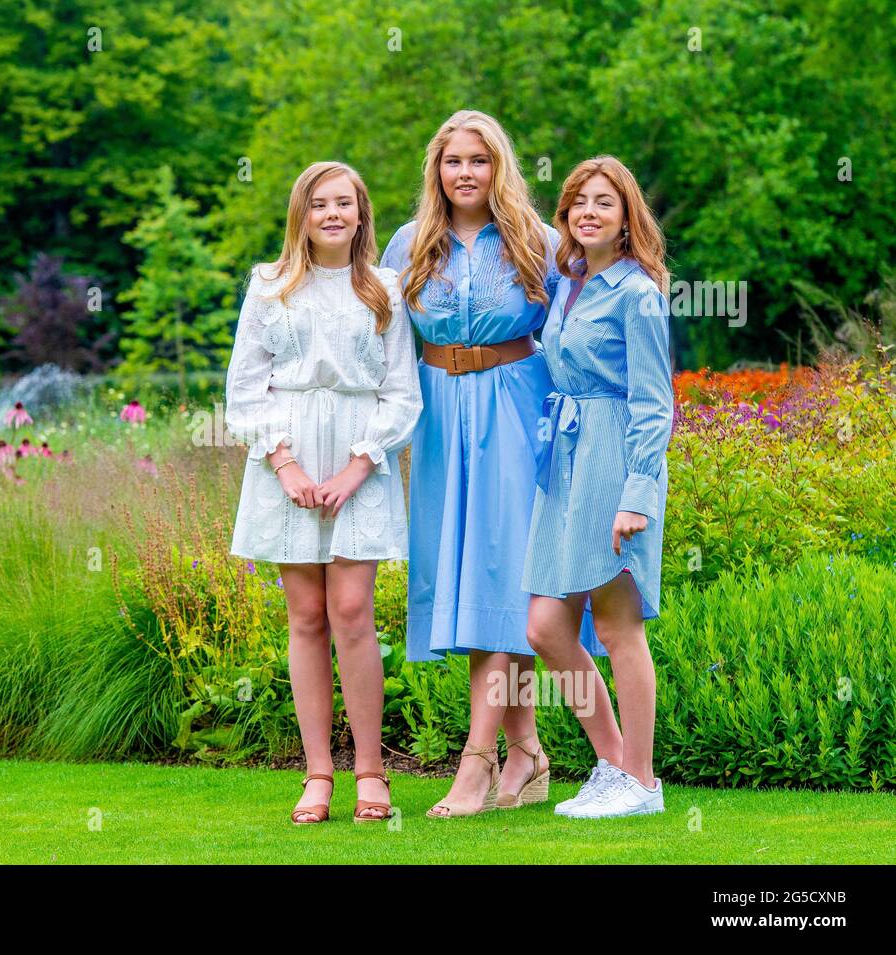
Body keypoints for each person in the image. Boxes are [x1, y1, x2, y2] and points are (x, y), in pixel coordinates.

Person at [380, 109, 609, 818]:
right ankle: (528, 753)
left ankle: (475, 764)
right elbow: (377, 340)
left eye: (479, 159)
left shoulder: (540, 241)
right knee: (472, 583)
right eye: (453, 161)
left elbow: (576, 332)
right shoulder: (407, 243)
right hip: (442, 418)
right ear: (436, 170)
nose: (466, 172)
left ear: (498, 166)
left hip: (519, 411)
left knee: (508, 580)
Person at [225, 160, 422, 824]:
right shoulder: (270, 286)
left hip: (358, 456)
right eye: (319, 204)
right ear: (301, 216)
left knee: (353, 610)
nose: (333, 214)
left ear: (362, 213)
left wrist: (357, 467)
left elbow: (402, 393)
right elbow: (245, 389)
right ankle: (317, 773)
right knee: (305, 615)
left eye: (344, 203)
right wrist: (285, 464)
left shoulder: (385, 290)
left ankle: (372, 768)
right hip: (287, 455)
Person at [522, 155, 674, 818]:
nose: (588, 211)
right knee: (547, 626)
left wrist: (636, 495)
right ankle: (615, 763)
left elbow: (654, 400)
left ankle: (638, 779)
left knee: (616, 627)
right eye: (578, 201)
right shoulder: (572, 283)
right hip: (567, 461)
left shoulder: (637, 292)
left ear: (625, 216)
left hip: (615, 460)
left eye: (603, 202)